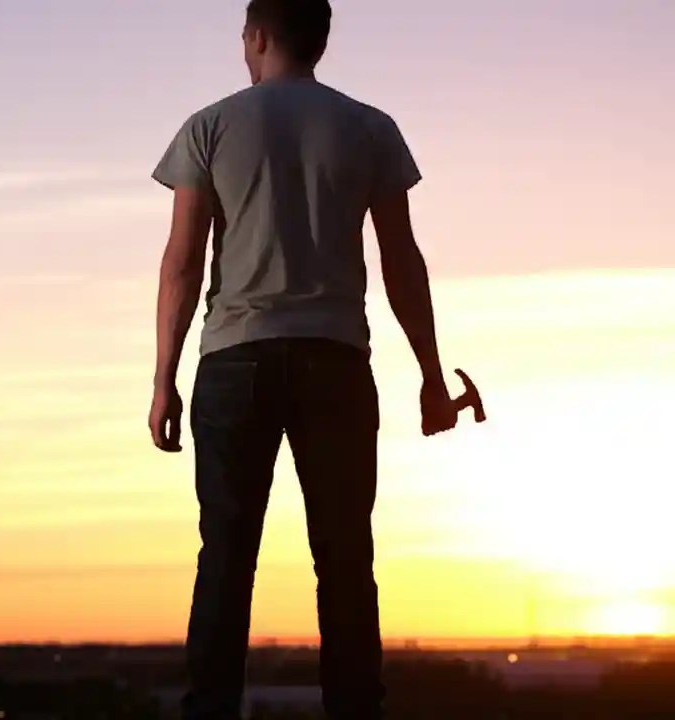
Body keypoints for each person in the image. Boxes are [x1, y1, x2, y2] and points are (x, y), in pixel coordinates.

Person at [147, 1, 459, 718]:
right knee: (346, 561)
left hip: (234, 361)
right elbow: (401, 261)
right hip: (337, 361)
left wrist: (164, 381)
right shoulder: (369, 127)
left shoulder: (210, 125)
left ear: (255, 37)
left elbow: (182, 262)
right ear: (320, 41)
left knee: (225, 560)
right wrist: (432, 378)